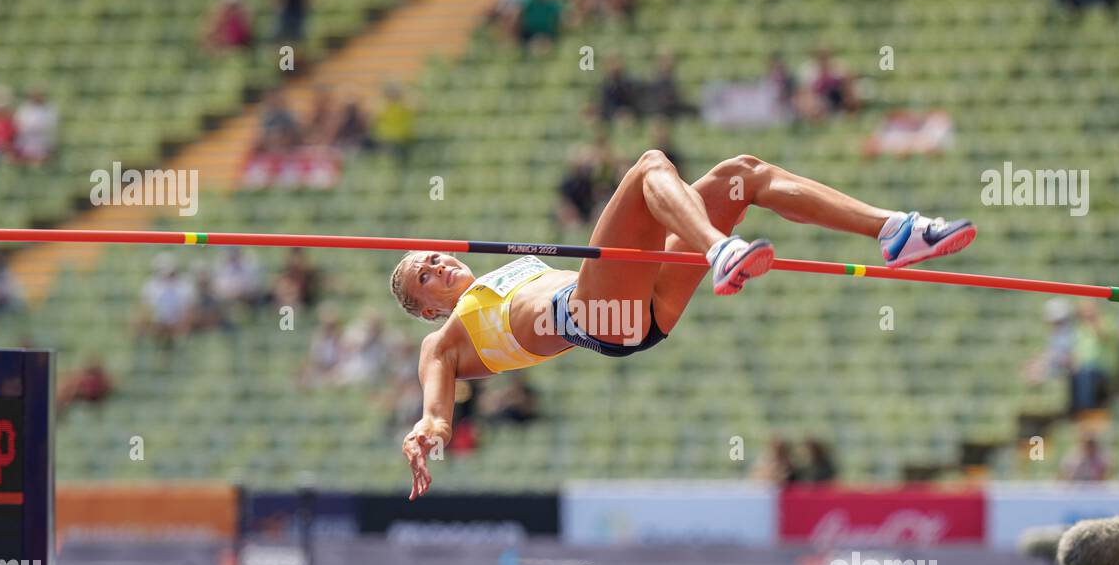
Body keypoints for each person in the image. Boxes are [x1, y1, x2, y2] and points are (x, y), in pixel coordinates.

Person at [390, 150, 976, 497]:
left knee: (741, 175)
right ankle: (719, 250)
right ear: (427, 308)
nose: (439, 265)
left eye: (434, 257)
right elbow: (438, 412)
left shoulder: (505, 274)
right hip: (596, 316)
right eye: (426, 276)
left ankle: (894, 231)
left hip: (636, 307)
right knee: (649, 164)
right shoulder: (443, 339)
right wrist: (428, 434)